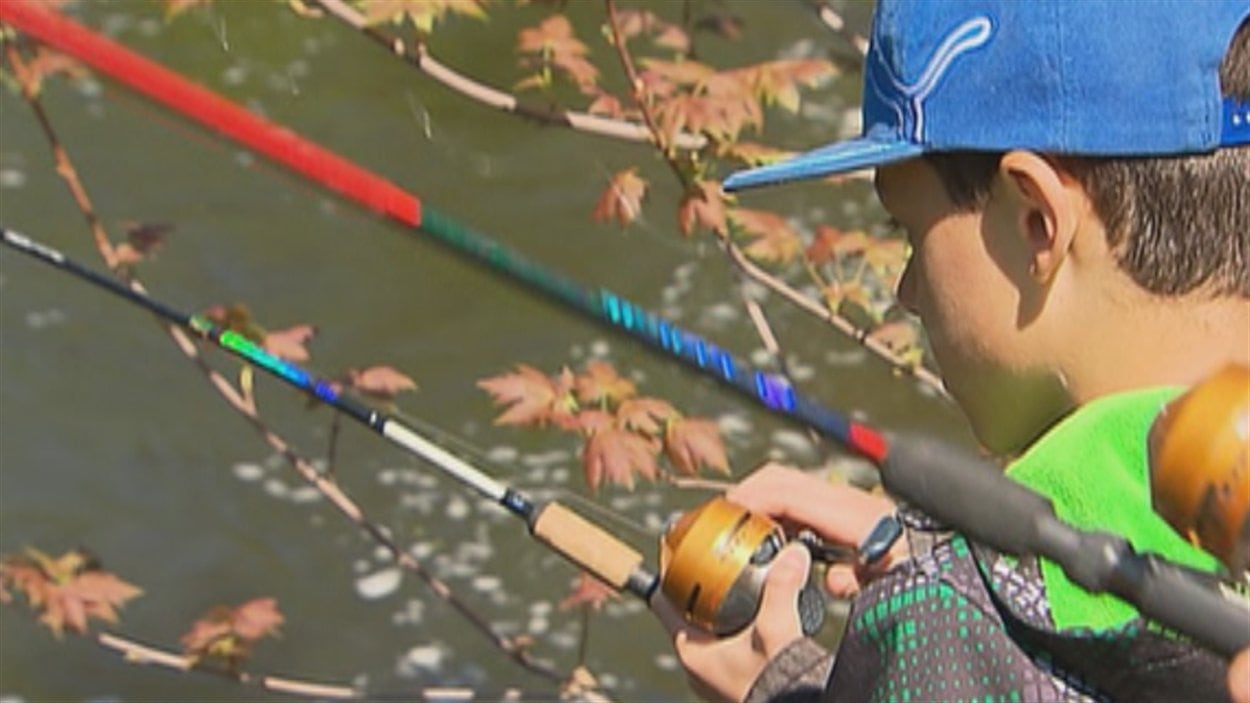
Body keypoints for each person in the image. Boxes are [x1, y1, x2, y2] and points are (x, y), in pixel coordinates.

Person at [655, 1, 1250, 702]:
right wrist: (950, 549)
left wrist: (788, 685)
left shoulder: (945, 627)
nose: (906, 291)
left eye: (910, 232)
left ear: (1036, 220)